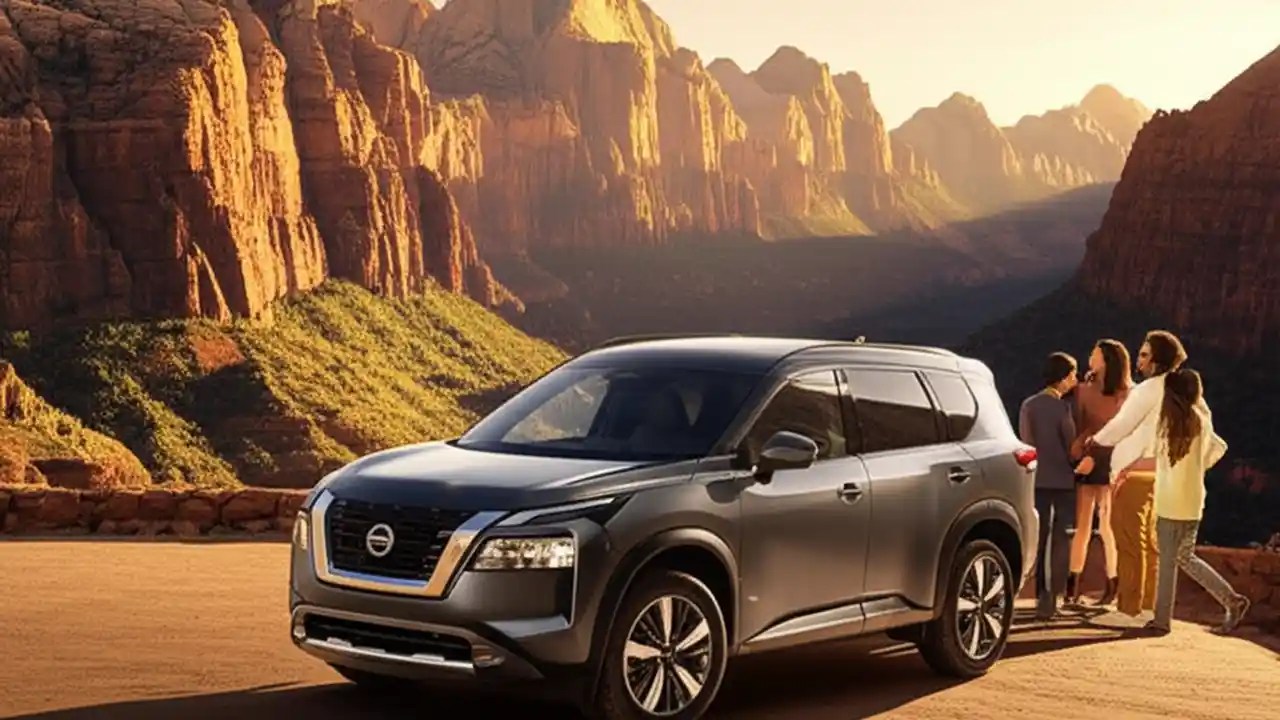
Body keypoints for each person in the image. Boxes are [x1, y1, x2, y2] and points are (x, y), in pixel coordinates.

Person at [1131, 368, 1249, 636]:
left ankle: (1162, 620)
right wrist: (1198, 467)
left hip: (1170, 500)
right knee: (1184, 557)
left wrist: (1128, 467)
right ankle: (1231, 600)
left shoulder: (1167, 422)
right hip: (1193, 499)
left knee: (1170, 561)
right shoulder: (1200, 420)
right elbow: (1219, 448)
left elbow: (1156, 459)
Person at [1084, 330, 1184, 627]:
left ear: (1156, 359)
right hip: (1158, 473)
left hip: (1133, 473)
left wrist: (1095, 441)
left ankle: (1128, 609)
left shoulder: (1147, 389)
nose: (1139, 360)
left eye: (1143, 354)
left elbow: (1122, 425)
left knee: (1128, 539)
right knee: (1150, 542)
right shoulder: (1178, 388)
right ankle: (1148, 606)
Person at [1064, 339, 1132, 607]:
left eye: (1095, 353)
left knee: (1105, 527)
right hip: (1092, 460)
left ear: (1107, 359)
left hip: (1109, 462)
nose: (1090, 356)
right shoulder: (1085, 389)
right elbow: (1078, 426)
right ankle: (1076, 589)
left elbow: (1123, 431)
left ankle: (1107, 587)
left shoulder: (1125, 394)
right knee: (1086, 526)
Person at [1019, 352, 1079, 620]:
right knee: (1061, 541)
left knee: (1040, 539)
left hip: (1036, 481)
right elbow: (1071, 447)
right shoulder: (1062, 408)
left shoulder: (1028, 405)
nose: (1075, 380)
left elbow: (1026, 442)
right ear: (1065, 377)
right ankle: (1053, 600)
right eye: (1073, 375)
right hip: (1064, 483)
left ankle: (1039, 597)